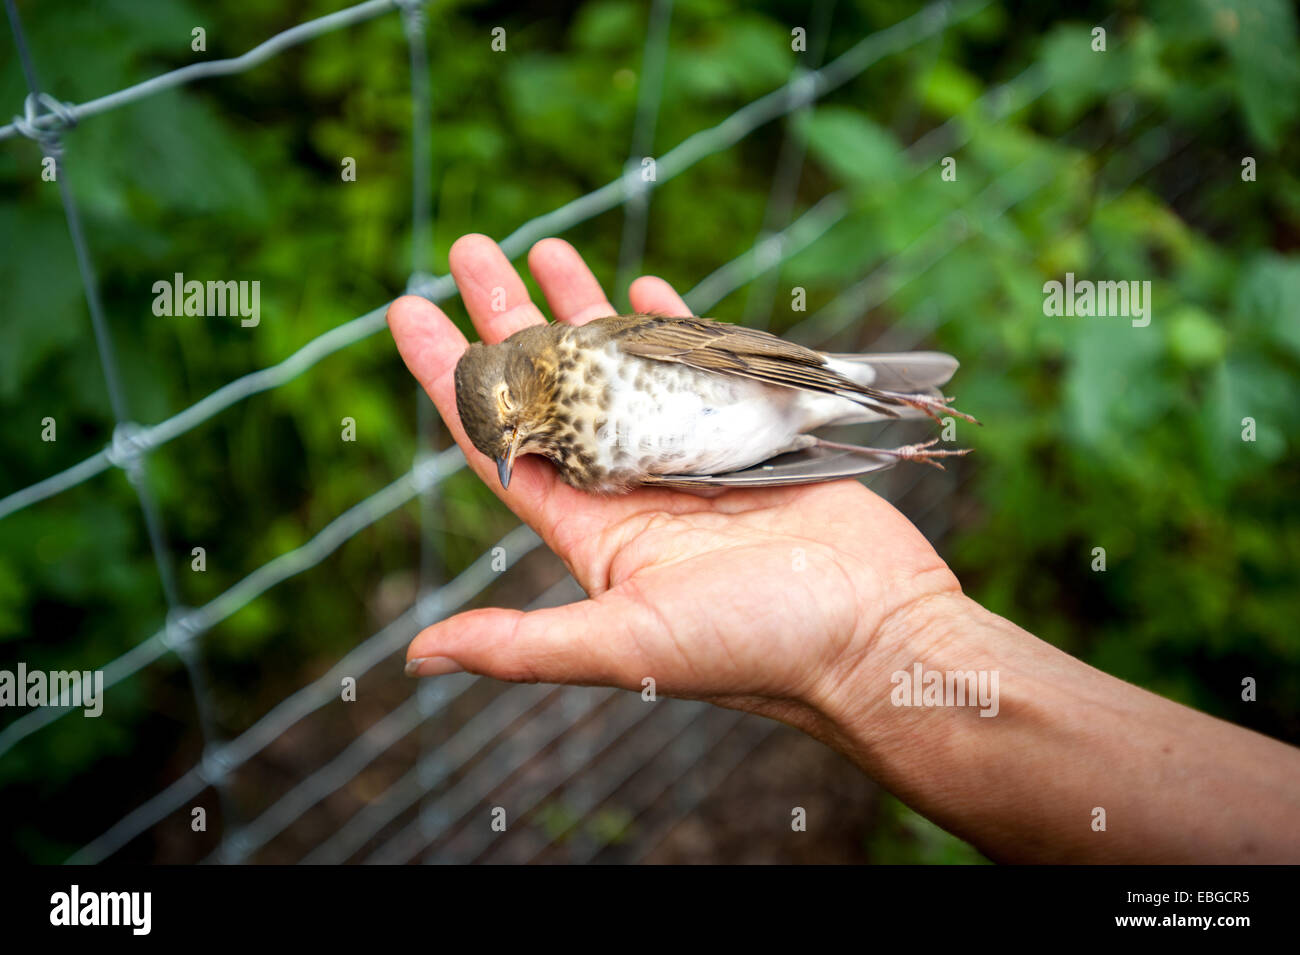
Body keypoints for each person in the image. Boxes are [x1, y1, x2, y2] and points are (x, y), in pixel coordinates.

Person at [387, 234, 1300, 864]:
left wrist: (823, 378)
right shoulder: (575, 466)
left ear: (526, 376)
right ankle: (891, 422)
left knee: (851, 392)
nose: (514, 455)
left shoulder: (583, 354)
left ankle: (884, 402)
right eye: (506, 449)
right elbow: (706, 477)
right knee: (841, 422)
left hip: (762, 387)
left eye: (510, 428)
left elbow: (719, 352)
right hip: (739, 450)